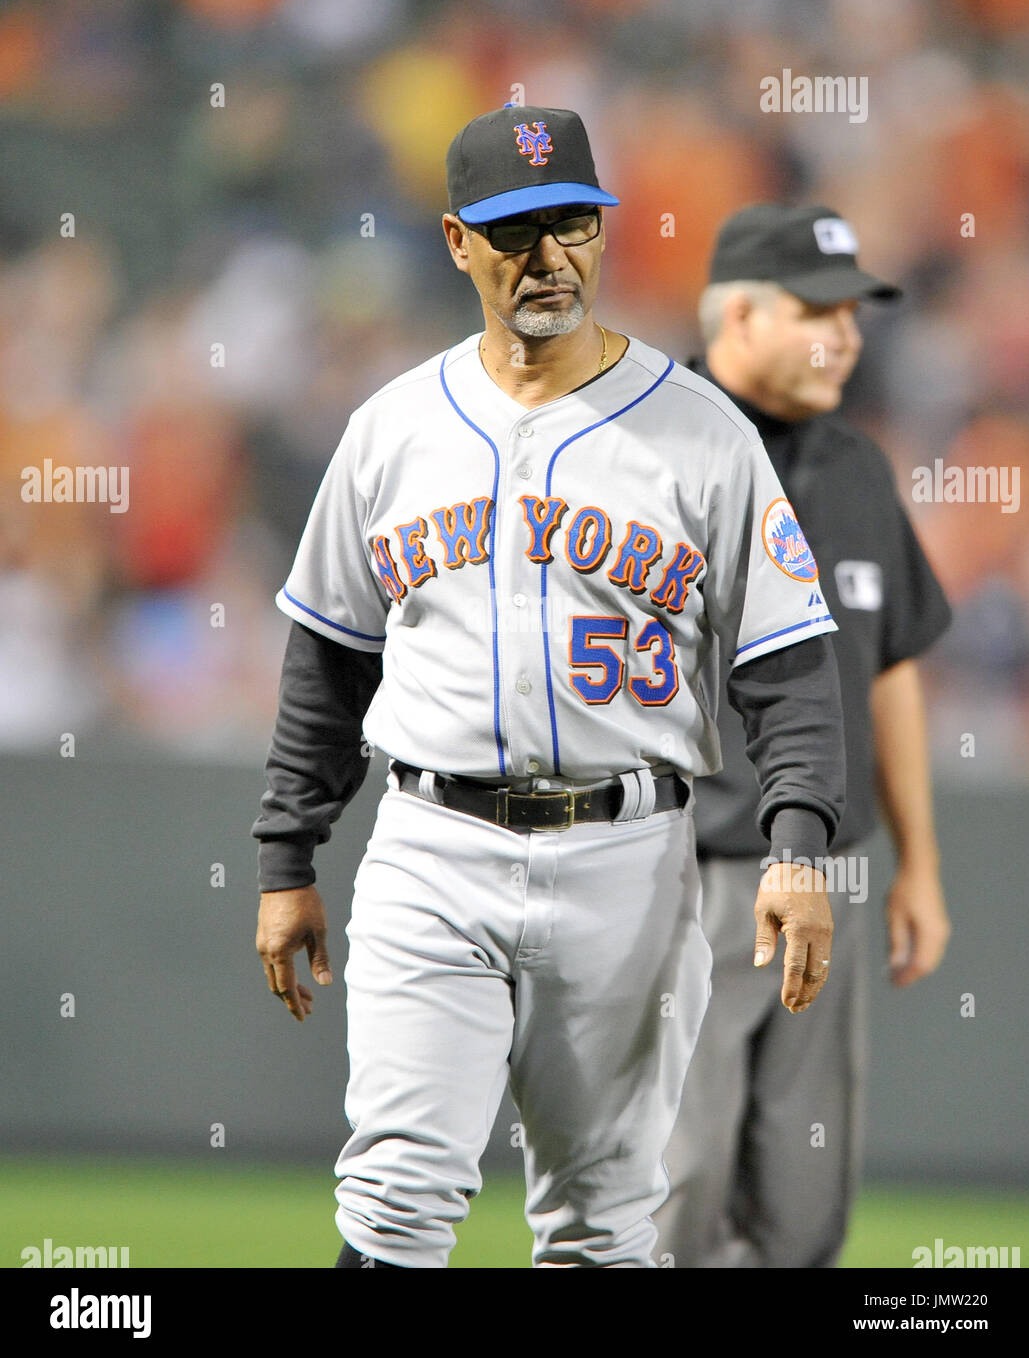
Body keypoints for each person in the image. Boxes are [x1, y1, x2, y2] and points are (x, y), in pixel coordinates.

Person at [251, 108, 846, 1269]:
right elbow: (327, 660)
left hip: (631, 856)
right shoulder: (390, 430)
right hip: (432, 843)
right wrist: (285, 857)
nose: (550, 255)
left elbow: (786, 663)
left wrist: (797, 847)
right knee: (396, 1196)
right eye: (515, 230)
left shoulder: (703, 432)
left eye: (573, 222)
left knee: (603, 1221)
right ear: (457, 243)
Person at [654, 203, 953, 1269]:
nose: (849, 334)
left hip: (831, 878)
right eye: (819, 309)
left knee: (804, 1204)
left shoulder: (857, 469)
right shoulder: (645, 447)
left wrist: (918, 864)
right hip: (683, 877)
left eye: (856, 311)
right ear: (738, 310)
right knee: (671, 1189)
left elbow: (893, 674)